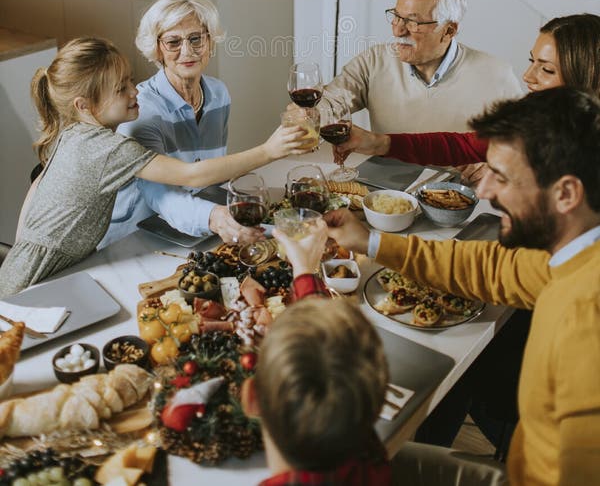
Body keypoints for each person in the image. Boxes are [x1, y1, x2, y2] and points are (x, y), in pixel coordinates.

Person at [325, 87, 600, 486]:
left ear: (566, 194)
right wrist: (371, 241)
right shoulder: (571, 256)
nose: (484, 190)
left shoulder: (585, 318)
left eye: (501, 177)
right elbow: (490, 267)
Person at [0, 37, 305, 298]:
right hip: (35, 280)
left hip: (30, 267)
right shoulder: (108, 149)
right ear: (84, 105)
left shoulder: (74, 130)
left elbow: (37, 184)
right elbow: (191, 174)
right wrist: (269, 150)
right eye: (121, 89)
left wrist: (22, 246)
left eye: (130, 80)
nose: (135, 91)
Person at [335, 12, 600, 168]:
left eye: (547, 70)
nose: (528, 76)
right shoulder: (537, 123)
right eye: (532, 61)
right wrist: (378, 142)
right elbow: (462, 145)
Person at [102, 0, 259, 248]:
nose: (187, 51)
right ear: (157, 49)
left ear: (210, 42)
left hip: (195, 227)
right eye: (173, 42)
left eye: (196, 39)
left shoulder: (218, 95)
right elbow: (160, 197)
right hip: (135, 240)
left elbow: (213, 174)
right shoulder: (140, 110)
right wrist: (215, 217)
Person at [243, 219, 392, 486]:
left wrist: (304, 270)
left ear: (251, 398)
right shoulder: (368, 453)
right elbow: (337, 348)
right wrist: (304, 271)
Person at [322, 0, 522, 134]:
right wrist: (307, 115)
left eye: (413, 22)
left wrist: (490, 164)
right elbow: (330, 104)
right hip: (385, 185)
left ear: (449, 30)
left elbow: (524, 143)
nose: (398, 31)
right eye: (397, 17)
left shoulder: (496, 75)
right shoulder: (374, 61)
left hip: (456, 185)